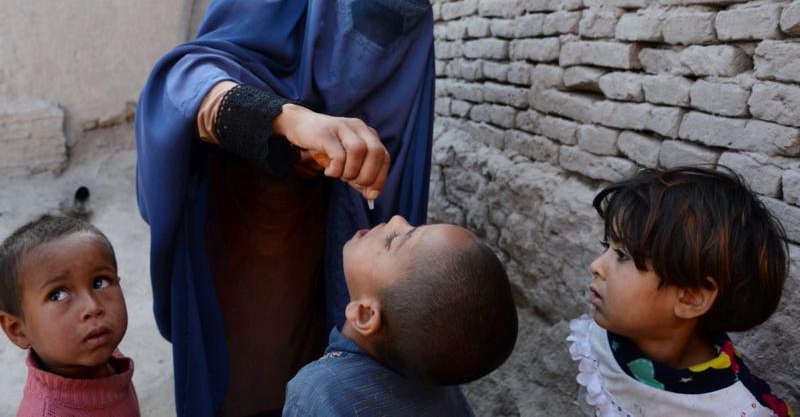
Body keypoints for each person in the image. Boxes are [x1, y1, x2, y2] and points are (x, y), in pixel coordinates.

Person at [135, 0, 443, 415]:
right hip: (249, 252)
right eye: (363, 13)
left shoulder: (405, 72)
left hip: (337, 255)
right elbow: (185, 85)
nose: (371, 41)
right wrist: (291, 120)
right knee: (242, 376)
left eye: (391, 25)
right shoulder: (274, 2)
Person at [568, 167, 793, 417]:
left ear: (690, 298)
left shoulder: (733, 408)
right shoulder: (599, 345)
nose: (596, 266)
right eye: (606, 245)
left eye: (622, 255)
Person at [283, 215, 518, 416]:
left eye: (393, 241)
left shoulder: (318, 390)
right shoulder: (437, 383)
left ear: (365, 315)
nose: (397, 219)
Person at [0, 216, 139, 417]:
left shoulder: (109, 355)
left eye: (99, 282)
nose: (92, 307)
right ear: (17, 329)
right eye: (57, 295)